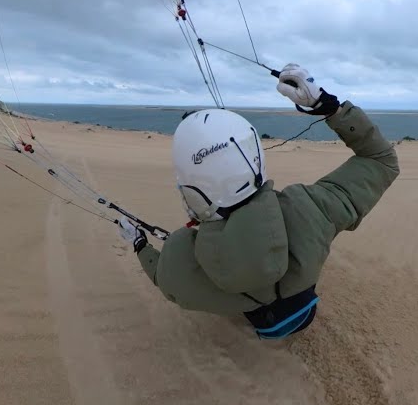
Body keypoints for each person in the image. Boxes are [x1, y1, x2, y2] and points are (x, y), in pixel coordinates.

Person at [115, 63, 400, 339]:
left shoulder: (182, 259)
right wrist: (329, 106)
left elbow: (161, 276)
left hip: (261, 320)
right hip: (303, 309)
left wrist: (140, 244)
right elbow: (380, 160)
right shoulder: (310, 208)